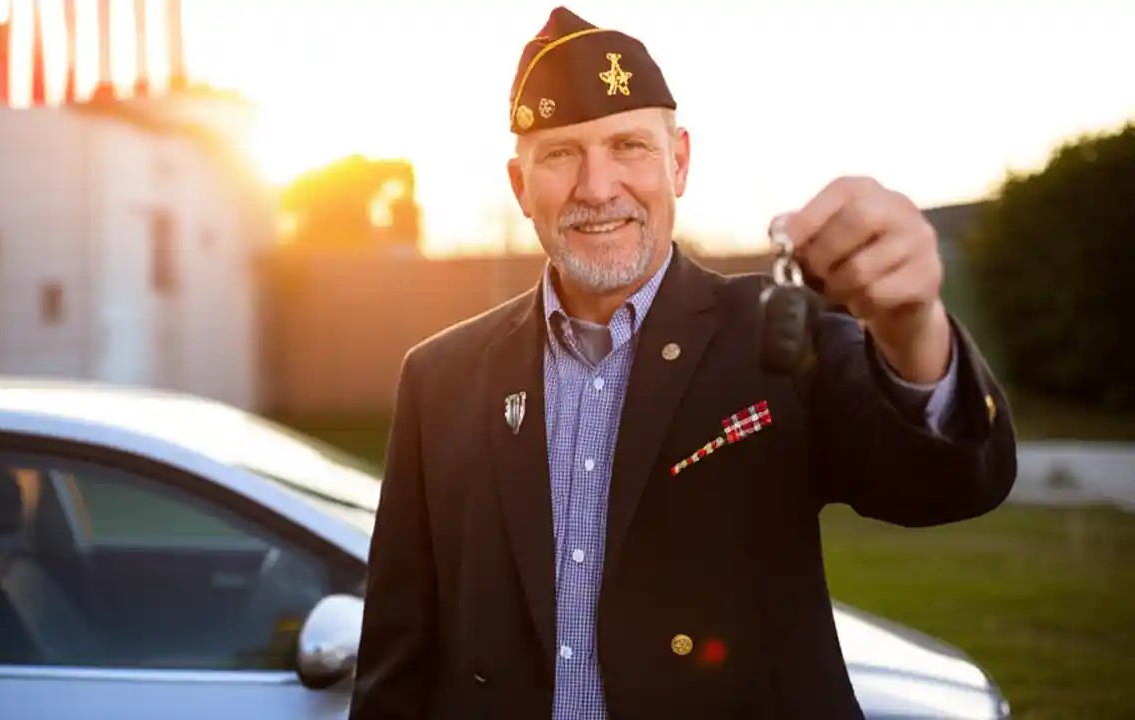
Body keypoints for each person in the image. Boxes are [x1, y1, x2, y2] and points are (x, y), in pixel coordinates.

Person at [349, 6, 1018, 719]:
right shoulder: (439, 378)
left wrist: (912, 325)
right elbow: (398, 660)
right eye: (561, 154)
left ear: (680, 162)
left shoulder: (778, 336)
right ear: (521, 187)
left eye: (629, 145)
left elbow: (944, 486)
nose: (598, 187)